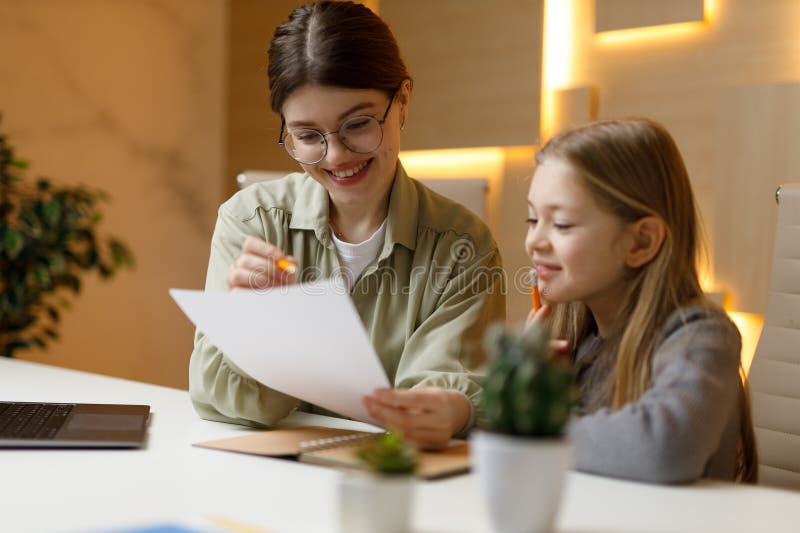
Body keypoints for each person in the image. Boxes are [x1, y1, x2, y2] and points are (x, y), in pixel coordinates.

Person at [189, 1, 505, 450]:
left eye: (358, 124)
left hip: (392, 481)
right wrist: (263, 331)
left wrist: (450, 406)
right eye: (308, 136)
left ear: (404, 102)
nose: (335, 156)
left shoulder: (463, 247)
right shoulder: (251, 222)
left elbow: (437, 402)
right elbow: (215, 400)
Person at [525, 118, 757, 483]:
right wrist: (525, 378)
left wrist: (533, 425)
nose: (534, 241)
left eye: (563, 223)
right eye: (532, 218)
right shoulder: (573, 339)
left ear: (641, 242)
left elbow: (665, 449)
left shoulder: (701, 338)